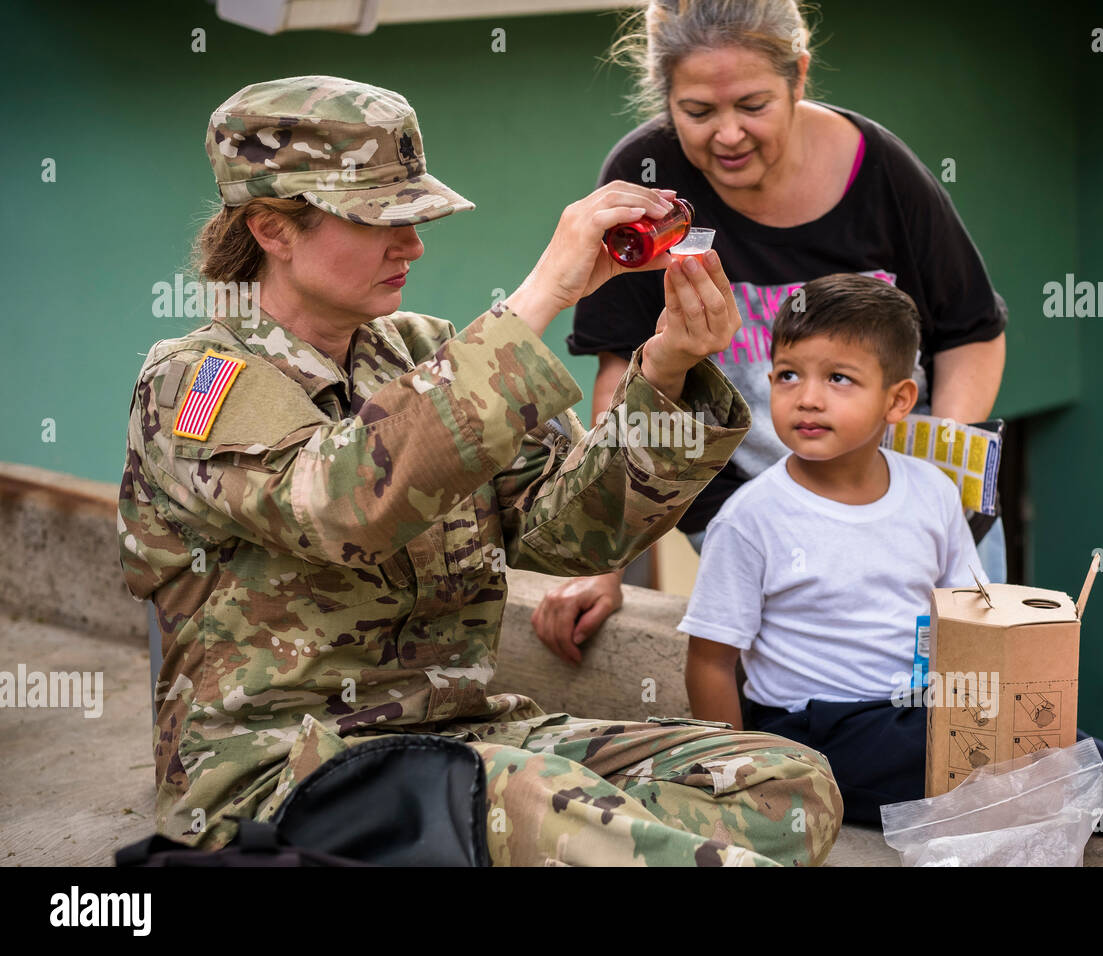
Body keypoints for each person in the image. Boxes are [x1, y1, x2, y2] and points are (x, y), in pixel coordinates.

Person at [117, 74, 843, 867]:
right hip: (290, 773)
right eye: (381, 220)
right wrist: (545, 293)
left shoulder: (424, 352)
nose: (413, 245)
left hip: (467, 738)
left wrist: (664, 372)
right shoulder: (195, 382)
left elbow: (572, 536)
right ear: (271, 228)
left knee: (781, 783)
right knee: (535, 804)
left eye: (416, 218)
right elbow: (346, 503)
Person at [532, 0, 1010, 662]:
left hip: (908, 497)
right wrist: (605, 558)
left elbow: (972, 332)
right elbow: (623, 377)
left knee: (969, 692)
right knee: (810, 704)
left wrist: (922, 491)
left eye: (752, 105)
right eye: (698, 112)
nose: (727, 134)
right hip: (751, 507)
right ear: (666, 98)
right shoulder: (647, 178)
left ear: (799, 78)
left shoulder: (883, 172)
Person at [677, 274, 1103, 836]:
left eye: (839, 378)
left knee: (1075, 748)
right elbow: (711, 661)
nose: (808, 397)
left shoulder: (932, 492)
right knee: (1010, 774)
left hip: (922, 705)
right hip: (812, 731)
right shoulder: (750, 520)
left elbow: (968, 612)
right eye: (789, 375)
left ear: (898, 400)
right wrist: (739, 778)